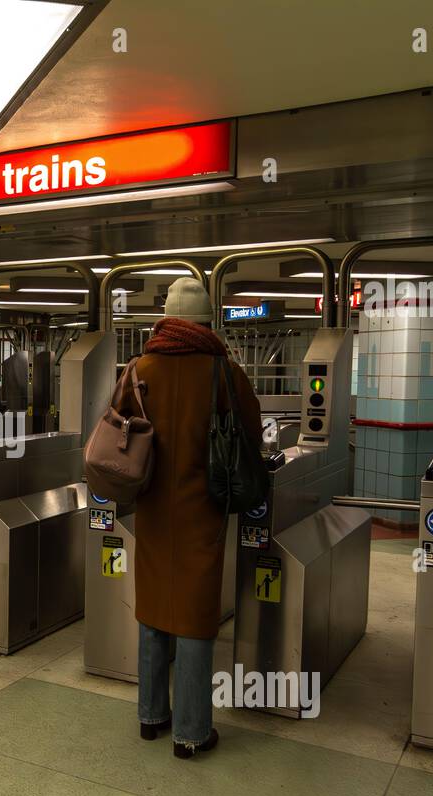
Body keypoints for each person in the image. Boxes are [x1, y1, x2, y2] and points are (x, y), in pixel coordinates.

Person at [113, 276, 262, 758]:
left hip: (153, 506)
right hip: (204, 508)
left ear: (165, 320)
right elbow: (252, 429)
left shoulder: (139, 368)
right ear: (205, 322)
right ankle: (192, 732)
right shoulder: (224, 371)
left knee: (154, 609)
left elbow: (117, 425)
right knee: (196, 617)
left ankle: (151, 716)